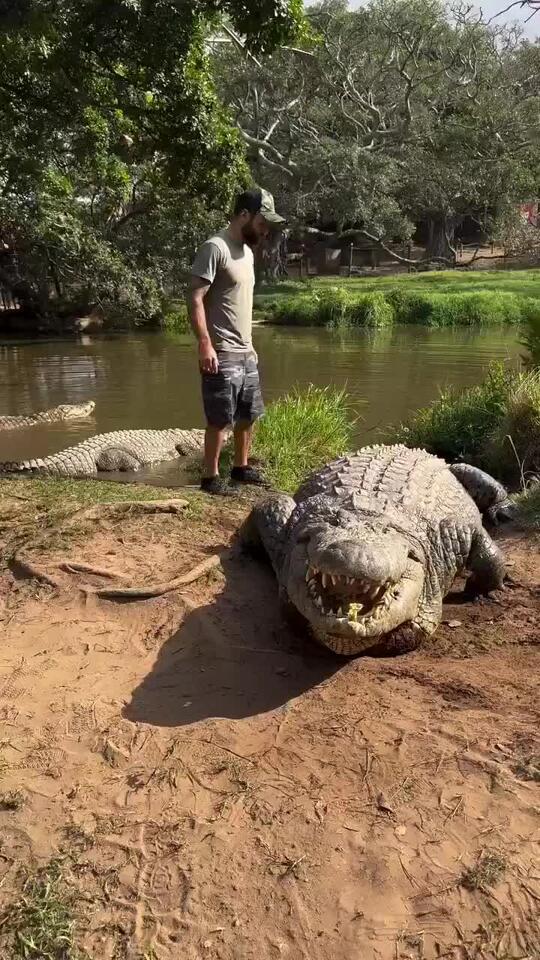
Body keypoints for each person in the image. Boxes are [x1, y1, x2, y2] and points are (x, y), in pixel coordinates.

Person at [189, 187, 286, 495]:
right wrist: (205, 342)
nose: (265, 228)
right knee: (220, 419)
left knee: (249, 415)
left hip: (246, 350)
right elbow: (194, 298)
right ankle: (210, 478)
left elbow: (239, 302)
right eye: (262, 221)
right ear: (244, 214)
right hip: (222, 351)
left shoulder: (246, 252)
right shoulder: (214, 247)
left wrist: (252, 345)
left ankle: (241, 469)